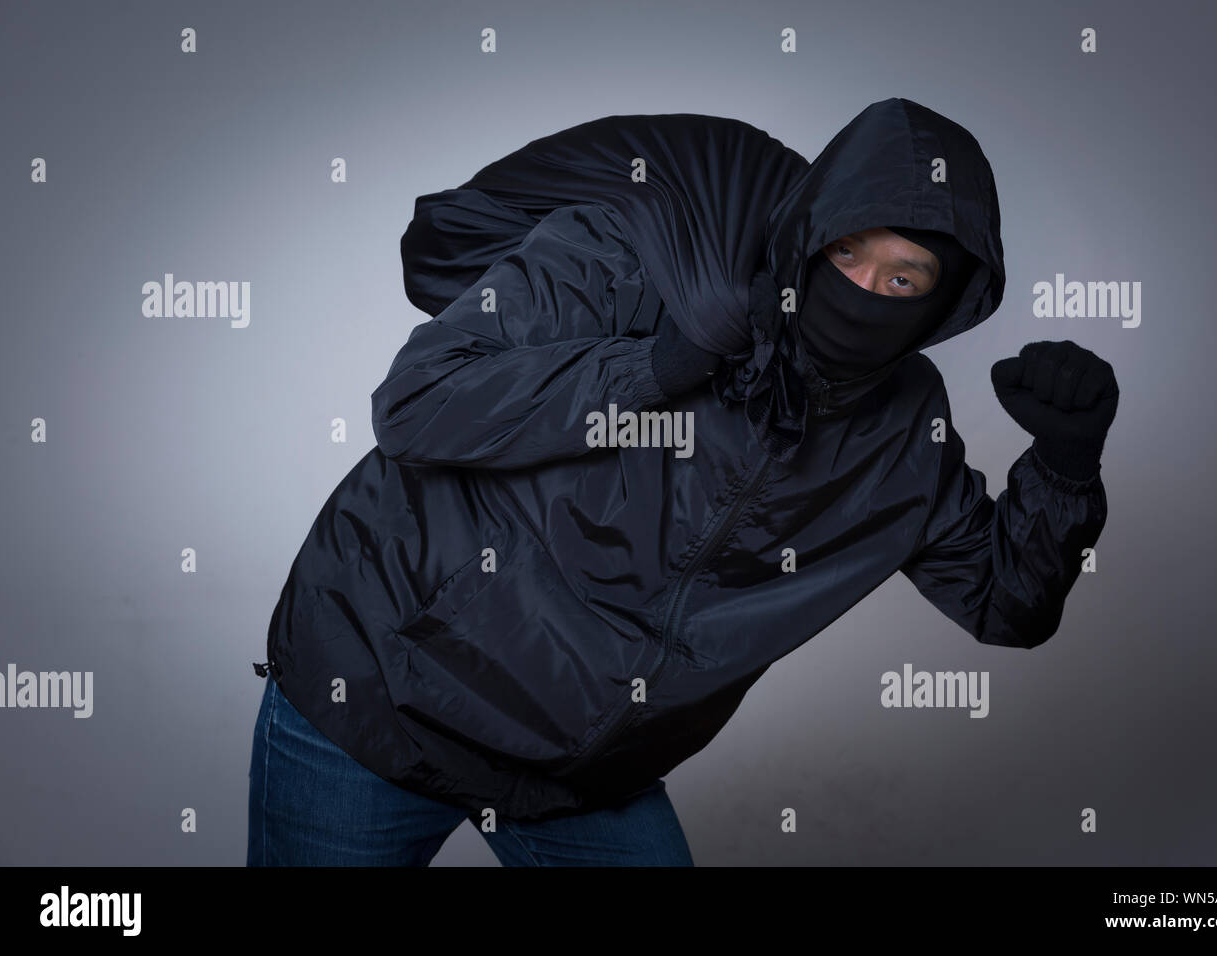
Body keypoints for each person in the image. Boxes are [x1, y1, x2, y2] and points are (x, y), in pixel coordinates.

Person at [248, 99, 1118, 866]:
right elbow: (418, 406)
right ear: (809, 231)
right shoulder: (636, 259)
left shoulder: (901, 433)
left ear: (943, 304)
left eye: (902, 278)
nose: (863, 291)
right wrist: (655, 365)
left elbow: (1006, 606)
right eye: (848, 252)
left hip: (581, 775)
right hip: (370, 697)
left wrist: (1065, 467)